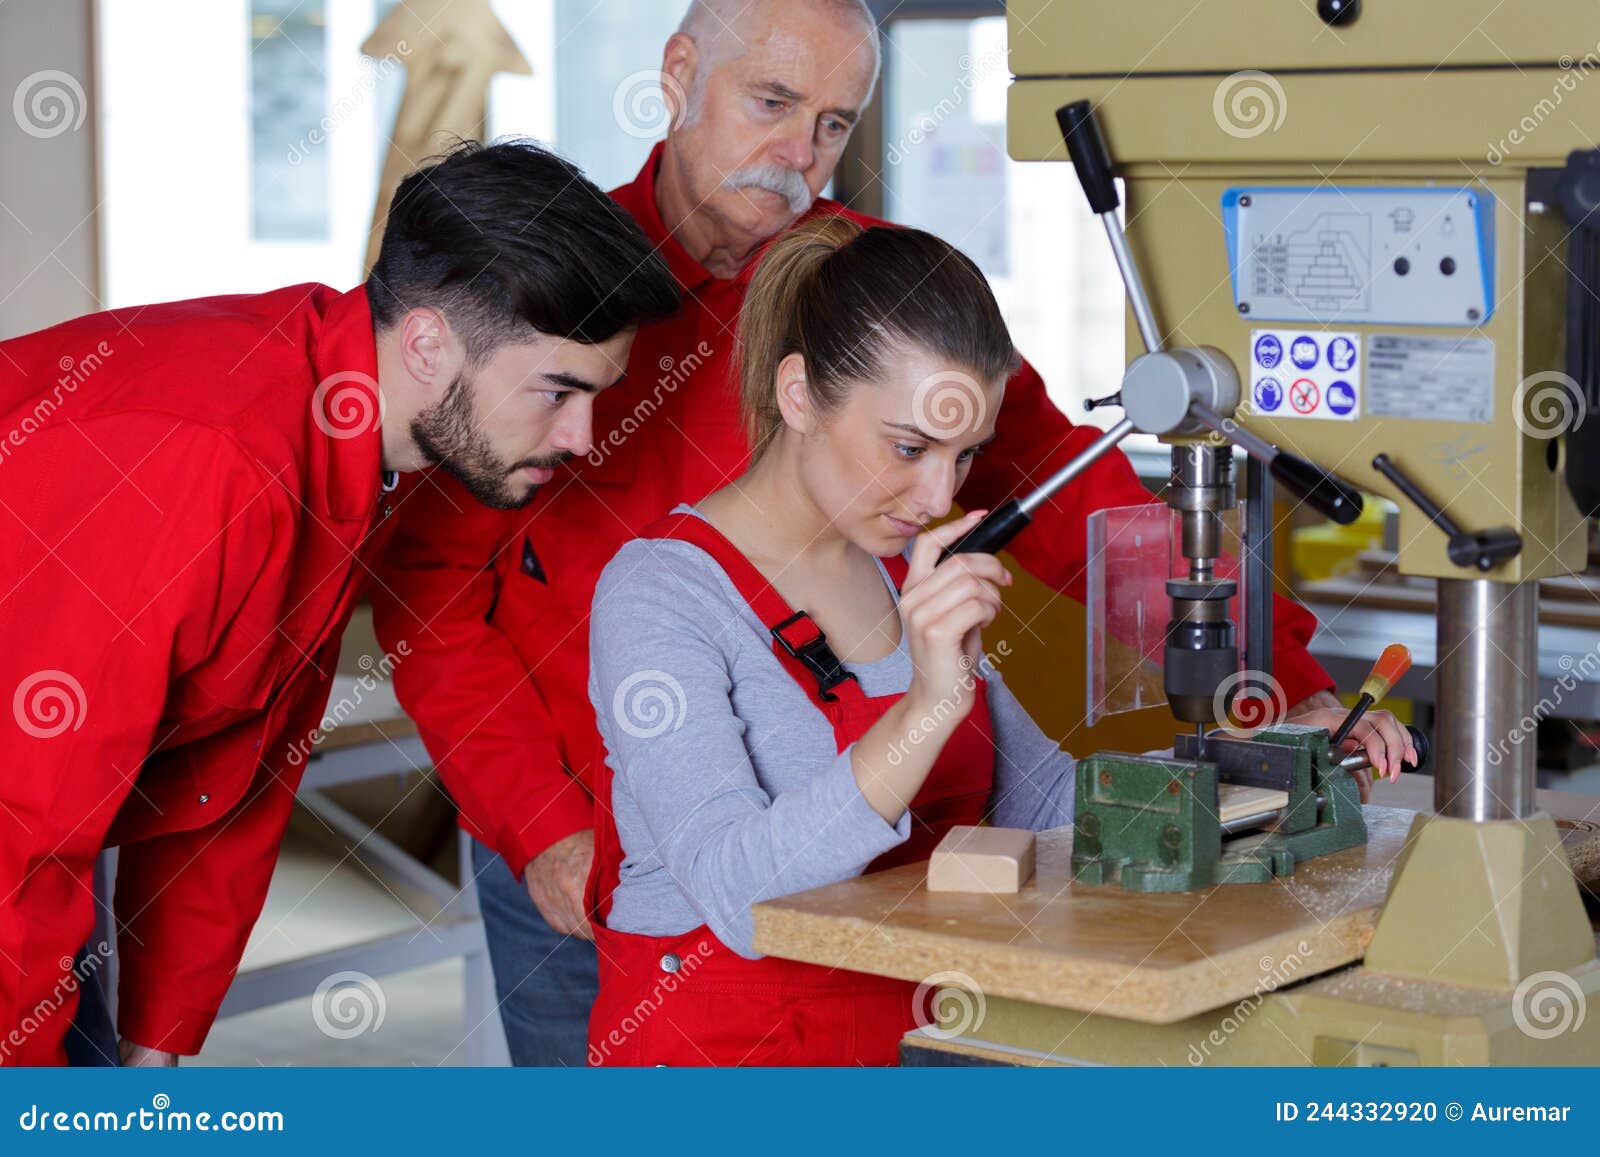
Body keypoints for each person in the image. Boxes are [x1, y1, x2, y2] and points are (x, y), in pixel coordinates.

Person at [370, 0, 1360, 1066]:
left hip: (857, 852)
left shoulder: (888, 301)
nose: (799, 154)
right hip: (582, 838)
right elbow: (424, 594)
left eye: (836, 123)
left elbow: (1077, 503)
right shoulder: (552, 291)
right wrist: (542, 824)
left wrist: (1276, 677)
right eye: (772, 102)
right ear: (677, 73)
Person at [584, 217, 1413, 1066]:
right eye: (908, 447)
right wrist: (928, 705)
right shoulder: (659, 594)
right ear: (799, 396)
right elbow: (736, 890)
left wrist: (1264, 762)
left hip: (918, 1037)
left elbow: (1045, 809)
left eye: (965, 454)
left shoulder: (902, 567)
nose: (937, 491)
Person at [0, 140, 680, 1067]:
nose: (583, 437)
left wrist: (157, 1040)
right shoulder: (215, 463)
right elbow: (22, 827)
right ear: (430, 340)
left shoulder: (346, 437)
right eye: (558, 390)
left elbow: (235, 768)